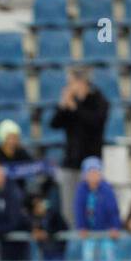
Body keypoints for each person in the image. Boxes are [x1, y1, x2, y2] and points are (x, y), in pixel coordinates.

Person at [49, 66, 109, 225]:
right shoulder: (70, 103)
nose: (69, 86)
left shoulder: (98, 100)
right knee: (70, 211)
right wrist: (63, 105)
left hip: (91, 163)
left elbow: (95, 122)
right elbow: (54, 123)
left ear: (82, 82)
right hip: (71, 162)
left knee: (93, 208)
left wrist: (75, 108)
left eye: (71, 83)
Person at [73, 157, 121, 261]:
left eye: (96, 172)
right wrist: (81, 227)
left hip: (106, 232)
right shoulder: (81, 191)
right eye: (90, 172)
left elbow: (113, 210)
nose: (94, 175)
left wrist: (115, 226)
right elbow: (79, 210)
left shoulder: (107, 189)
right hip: (90, 234)